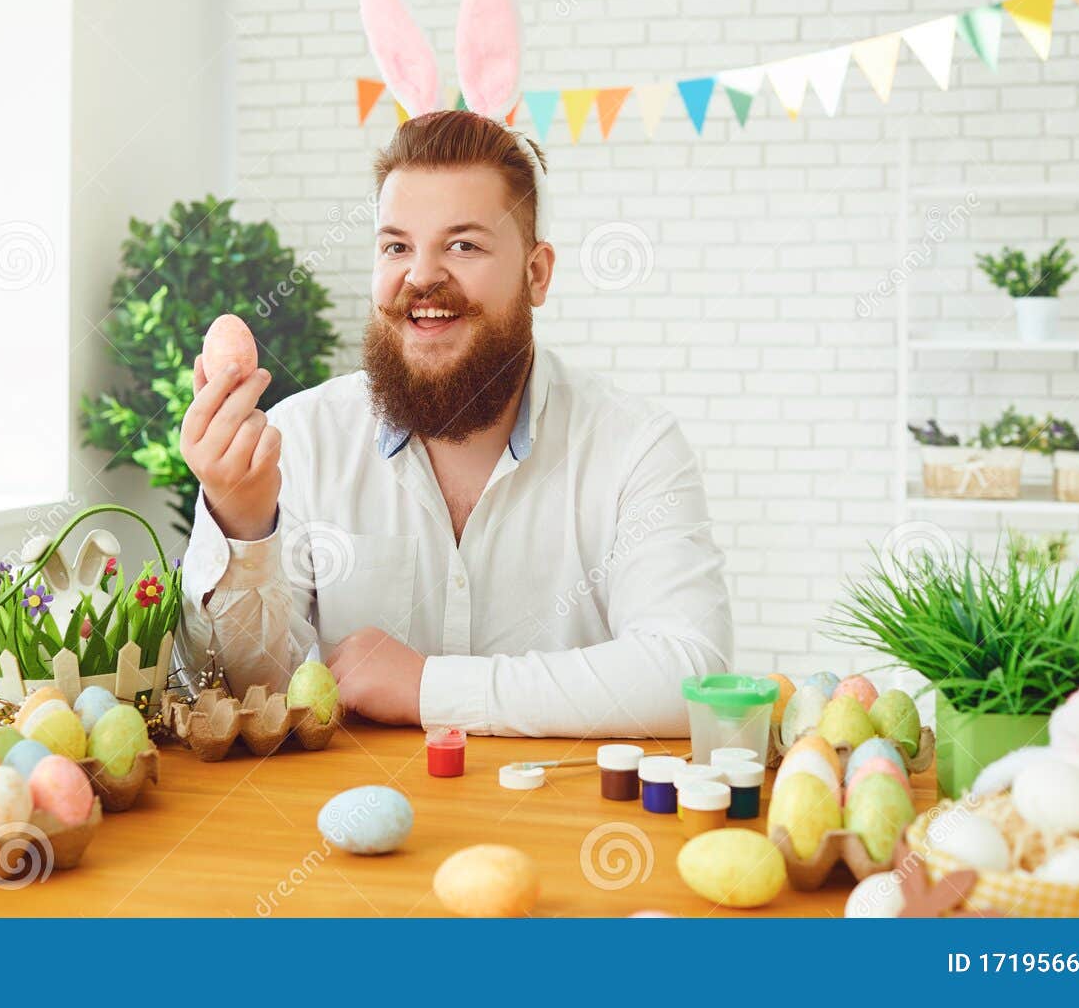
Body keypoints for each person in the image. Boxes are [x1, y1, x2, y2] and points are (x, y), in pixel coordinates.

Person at [176, 111, 731, 737]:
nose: (420, 276)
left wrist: (428, 688)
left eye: (463, 244)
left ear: (537, 273)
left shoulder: (633, 447)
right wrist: (241, 525)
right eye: (396, 246)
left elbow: (691, 677)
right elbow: (233, 692)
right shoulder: (300, 440)